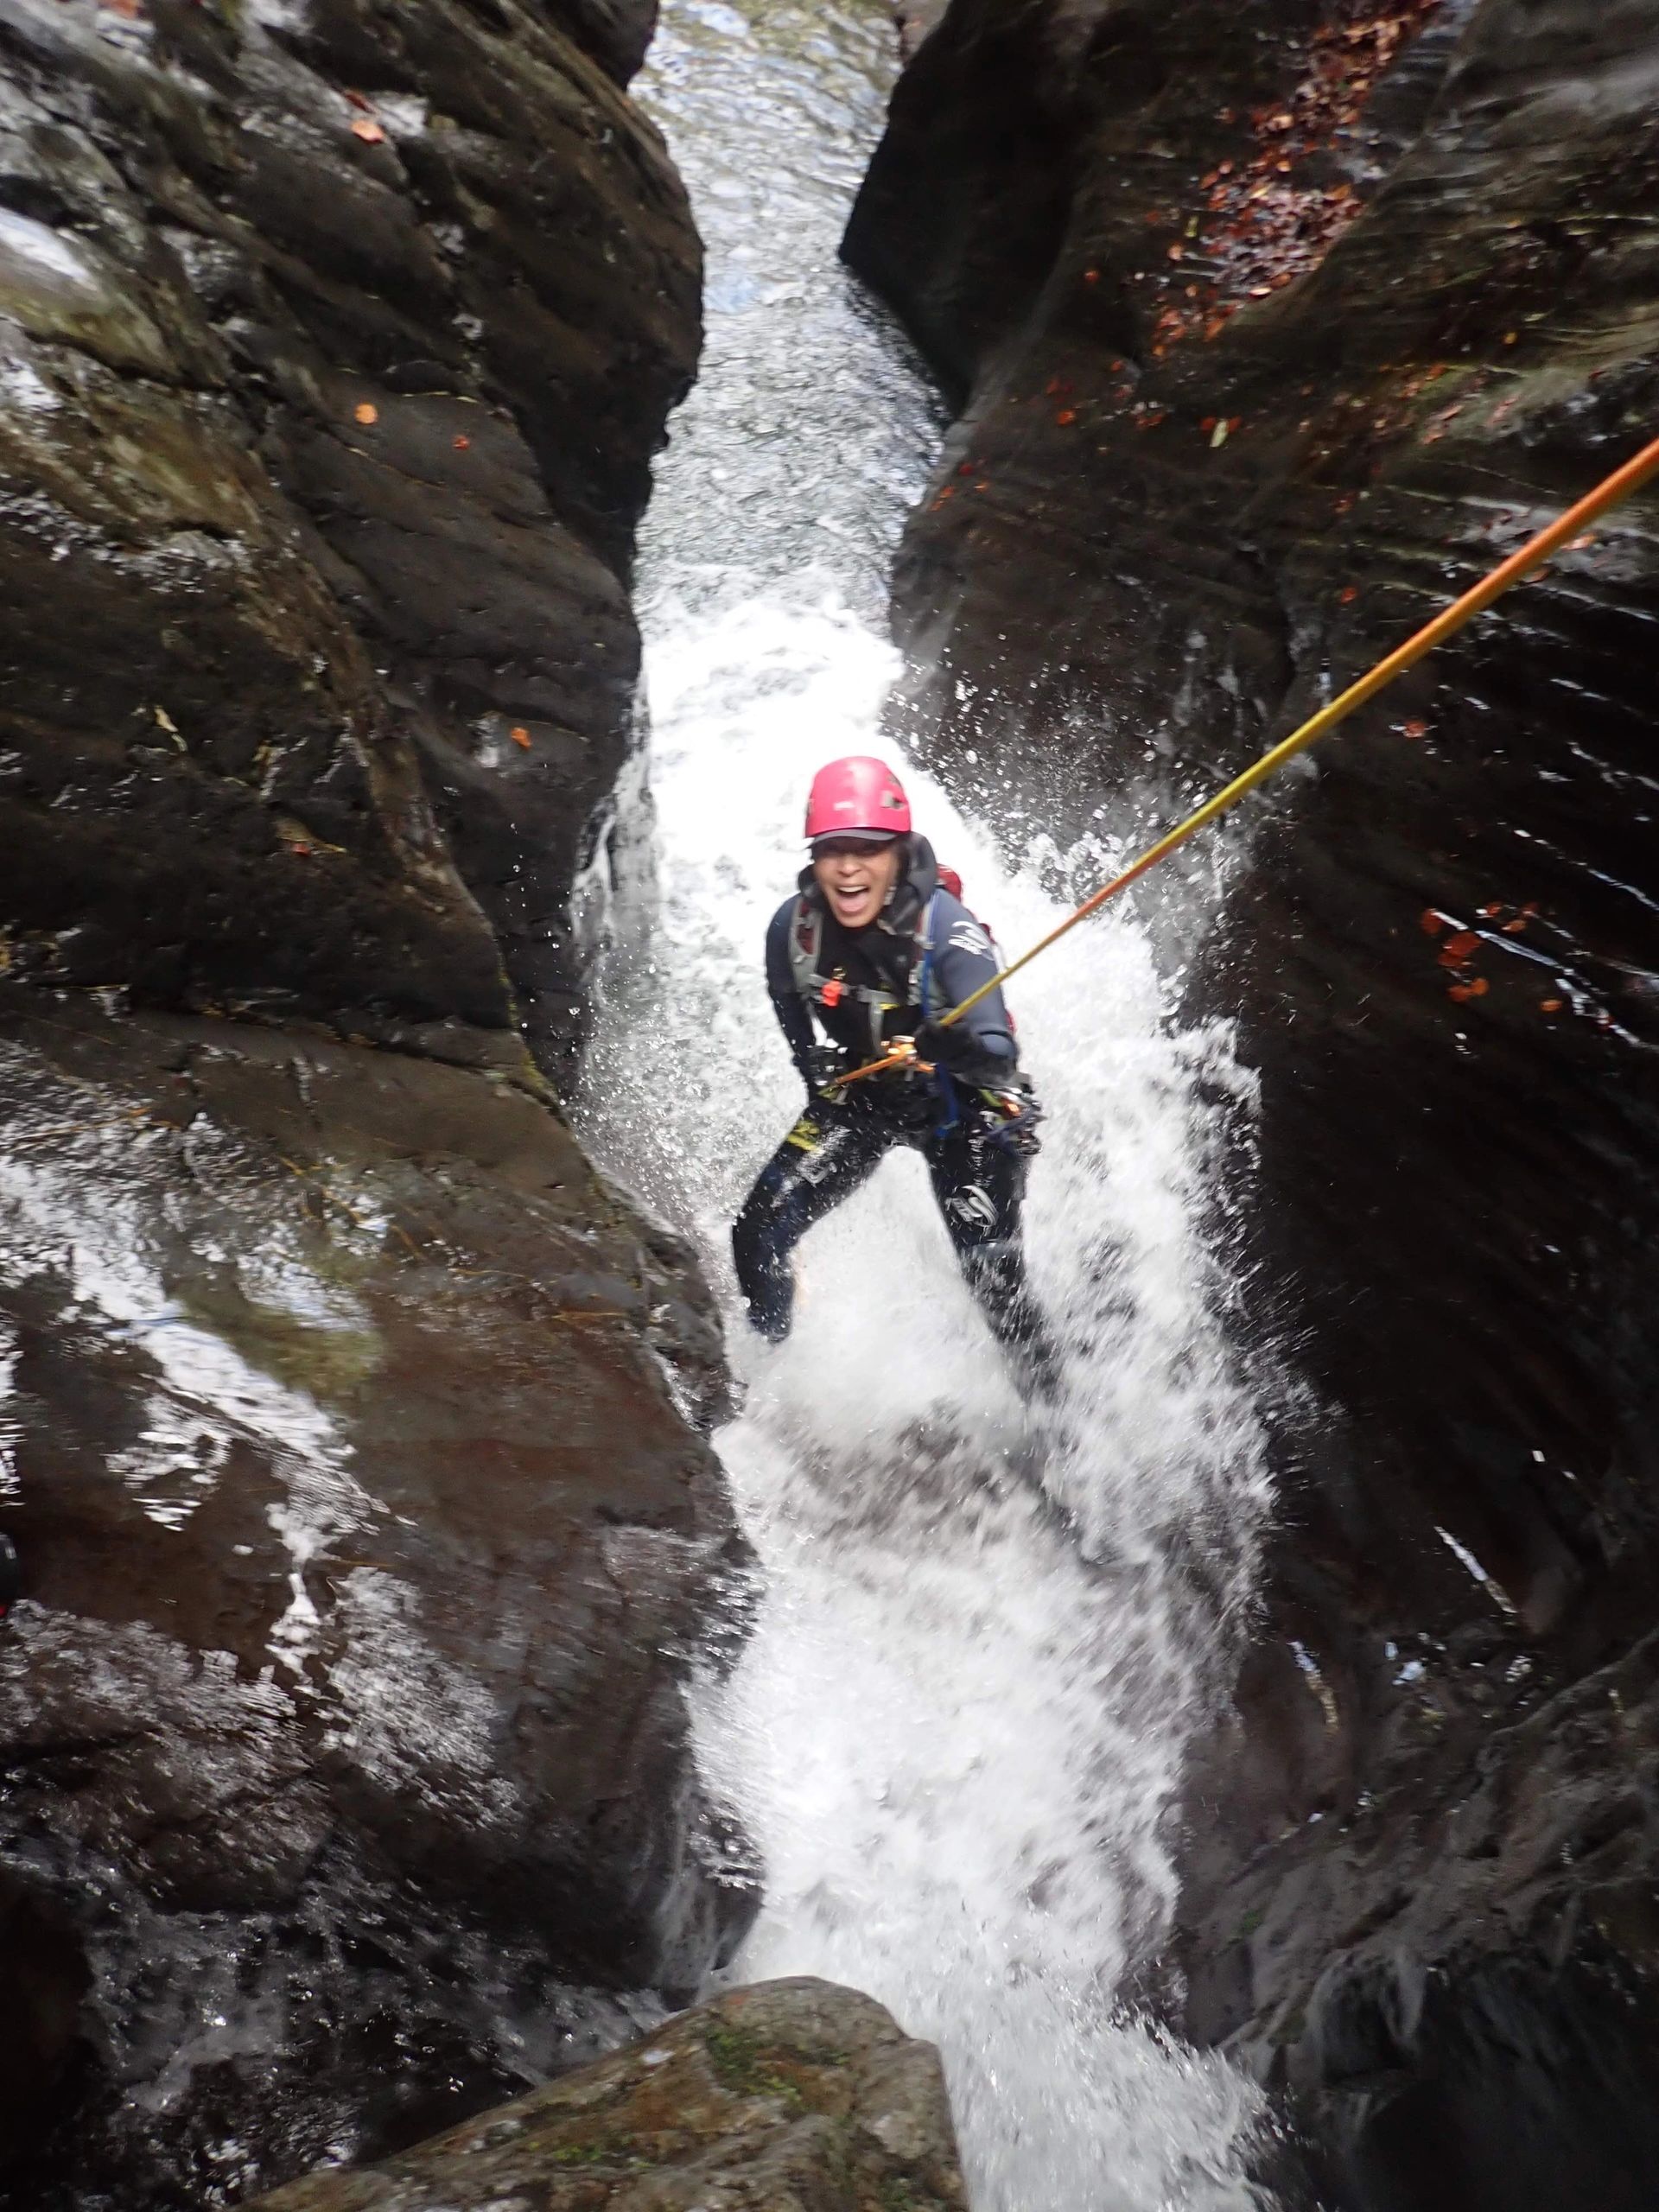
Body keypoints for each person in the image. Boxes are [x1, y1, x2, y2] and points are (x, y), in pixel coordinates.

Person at [732, 755, 1055, 1392]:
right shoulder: (794, 928)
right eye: (831, 851)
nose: (848, 867)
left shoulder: (949, 934)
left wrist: (948, 1044)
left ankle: (1057, 1424)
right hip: (867, 1094)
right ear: (814, 859)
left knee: (996, 1283)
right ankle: (766, 1370)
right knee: (755, 1235)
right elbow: (785, 996)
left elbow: (998, 1054)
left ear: (899, 853)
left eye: (867, 849)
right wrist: (811, 1066)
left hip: (967, 1109)